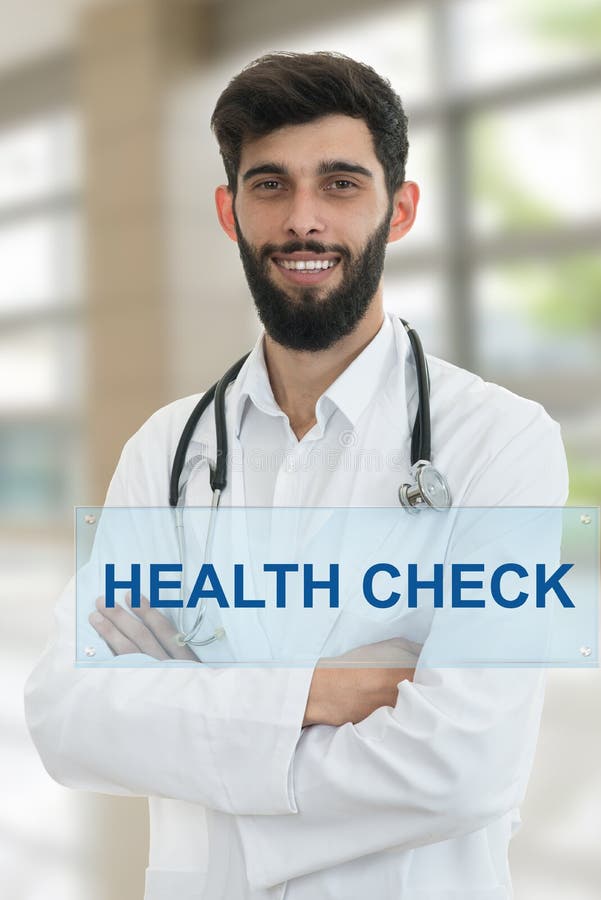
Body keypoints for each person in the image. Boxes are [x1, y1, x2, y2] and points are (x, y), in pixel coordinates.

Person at [25, 52, 568, 899]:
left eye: (341, 184)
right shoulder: (164, 453)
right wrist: (319, 694)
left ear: (399, 210)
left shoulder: (499, 444)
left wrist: (196, 725)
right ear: (228, 210)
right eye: (269, 185)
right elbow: (67, 720)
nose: (302, 220)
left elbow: (463, 766)